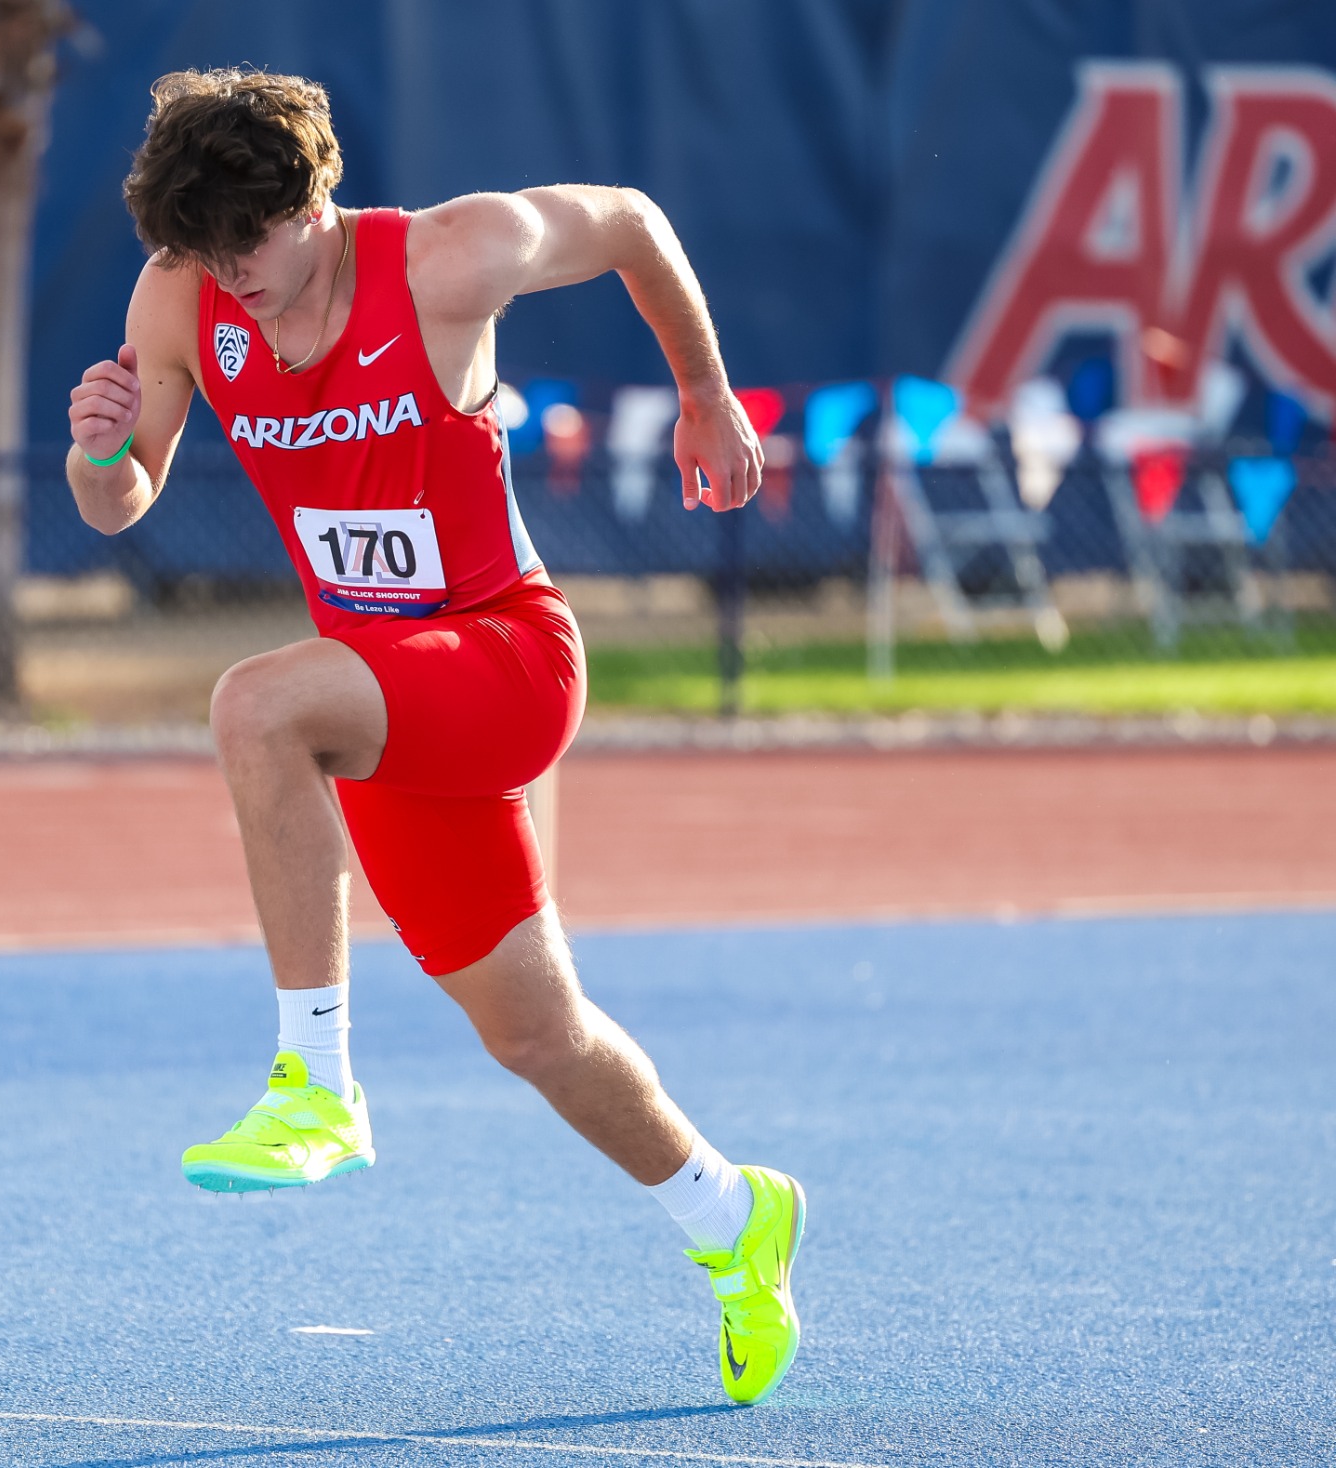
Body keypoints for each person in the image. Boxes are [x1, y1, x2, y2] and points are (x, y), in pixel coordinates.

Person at [66, 69, 803, 1406]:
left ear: (316, 203)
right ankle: (732, 1216)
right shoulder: (181, 297)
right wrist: (104, 458)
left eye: (254, 247)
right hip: (384, 701)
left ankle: (317, 1084)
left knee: (253, 703)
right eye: (206, 253)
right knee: (536, 1035)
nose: (235, 280)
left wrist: (705, 393)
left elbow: (632, 216)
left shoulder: (451, 259)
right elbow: (124, 503)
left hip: (506, 658)